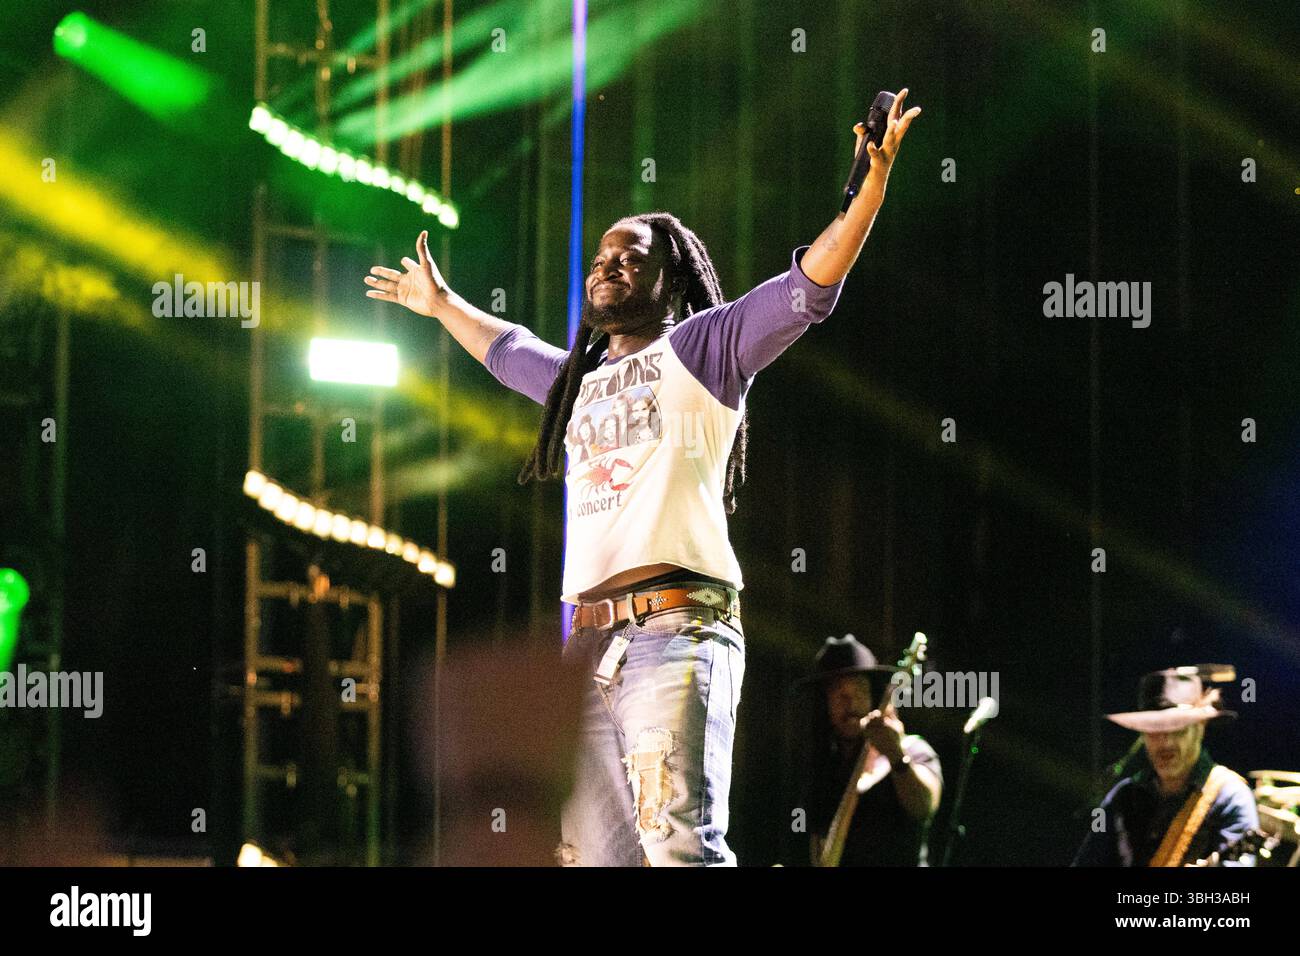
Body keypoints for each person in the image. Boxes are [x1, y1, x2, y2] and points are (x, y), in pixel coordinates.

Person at [364, 92, 922, 866]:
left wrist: (867, 192)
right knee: (597, 860)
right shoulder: (576, 385)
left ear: (671, 279)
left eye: (630, 259)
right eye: (599, 261)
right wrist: (441, 303)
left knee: (679, 847)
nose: (609, 270)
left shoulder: (705, 347)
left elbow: (807, 290)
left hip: (677, 633)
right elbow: (508, 348)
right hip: (585, 650)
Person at [1073, 665, 1259, 867]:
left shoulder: (1231, 798)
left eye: (1177, 729)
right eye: (1154, 730)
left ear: (1200, 728)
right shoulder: (1124, 795)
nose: (1165, 743)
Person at [802, 635, 942, 866]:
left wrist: (896, 756)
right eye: (838, 692)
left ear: (873, 695)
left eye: (859, 689)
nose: (850, 702)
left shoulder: (912, 748)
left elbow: (924, 806)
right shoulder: (824, 770)